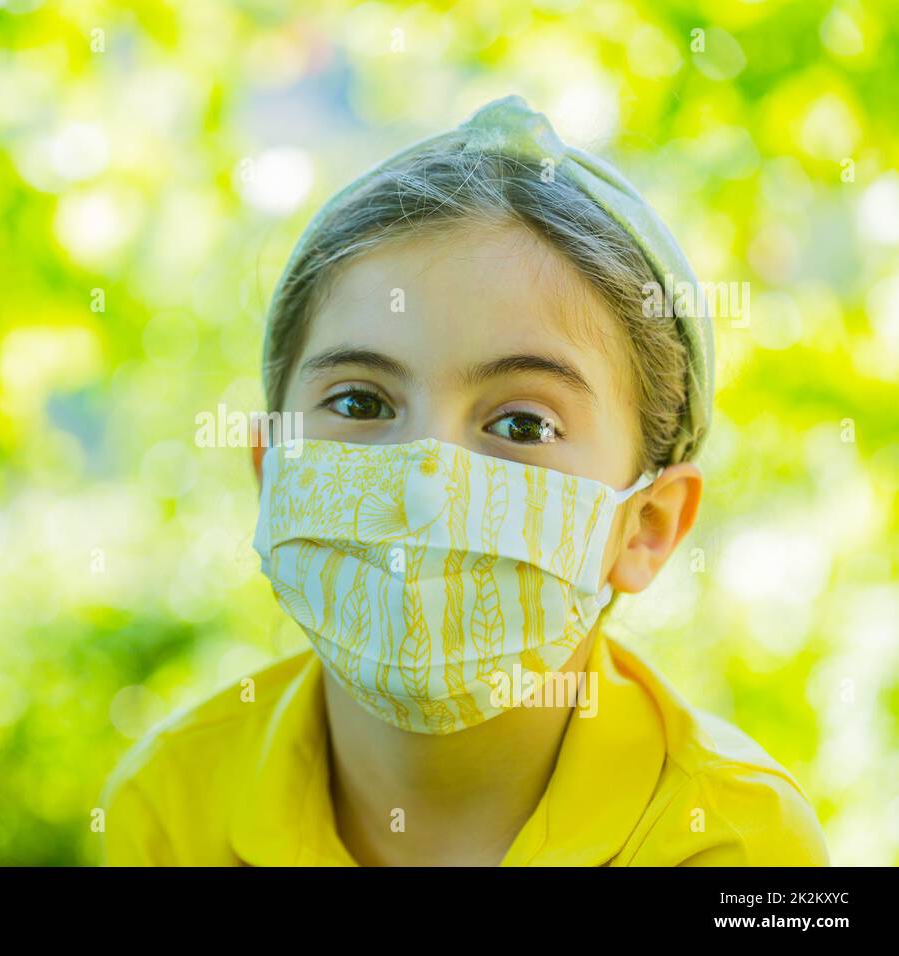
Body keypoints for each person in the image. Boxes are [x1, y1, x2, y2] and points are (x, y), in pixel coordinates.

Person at [97, 96, 830, 866]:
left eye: (521, 425)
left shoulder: (736, 842)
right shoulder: (170, 808)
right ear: (271, 472)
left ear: (645, 527)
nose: (425, 486)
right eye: (360, 402)